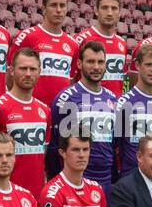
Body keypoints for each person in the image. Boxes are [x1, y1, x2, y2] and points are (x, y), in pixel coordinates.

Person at [0, 47, 51, 199]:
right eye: (23, 68)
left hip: (36, 195)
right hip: (4, 196)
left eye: (32, 69)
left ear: (39, 72)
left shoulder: (44, 110)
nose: (28, 73)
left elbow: (42, 154)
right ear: (11, 71)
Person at [49, 41, 118, 192]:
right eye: (90, 61)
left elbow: (114, 145)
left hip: (106, 181)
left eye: (100, 62)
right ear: (79, 64)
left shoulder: (113, 99)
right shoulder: (65, 99)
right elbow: (55, 145)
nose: (96, 67)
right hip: (75, 181)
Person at [113, 42, 152, 178]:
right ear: (137, 65)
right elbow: (116, 145)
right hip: (131, 177)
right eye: (148, 64)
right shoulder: (124, 103)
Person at [8, 0, 78, 106]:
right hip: (31, 109)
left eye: (62, 5)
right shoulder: (27, 36)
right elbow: (10, 76)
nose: (58, 10)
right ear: (44, 9)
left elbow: (71, 82)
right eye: (53, 5)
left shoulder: (73, 44)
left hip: (60, 111)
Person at [70, 0, 128, 96]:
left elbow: (122, 80)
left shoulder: (122, 42)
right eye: (104, 8)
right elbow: (71, 77)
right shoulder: (81, 39)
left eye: (114, 9)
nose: (109, 13)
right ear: (96, 11)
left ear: (119, 13)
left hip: (114, 105)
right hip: (87, 102)